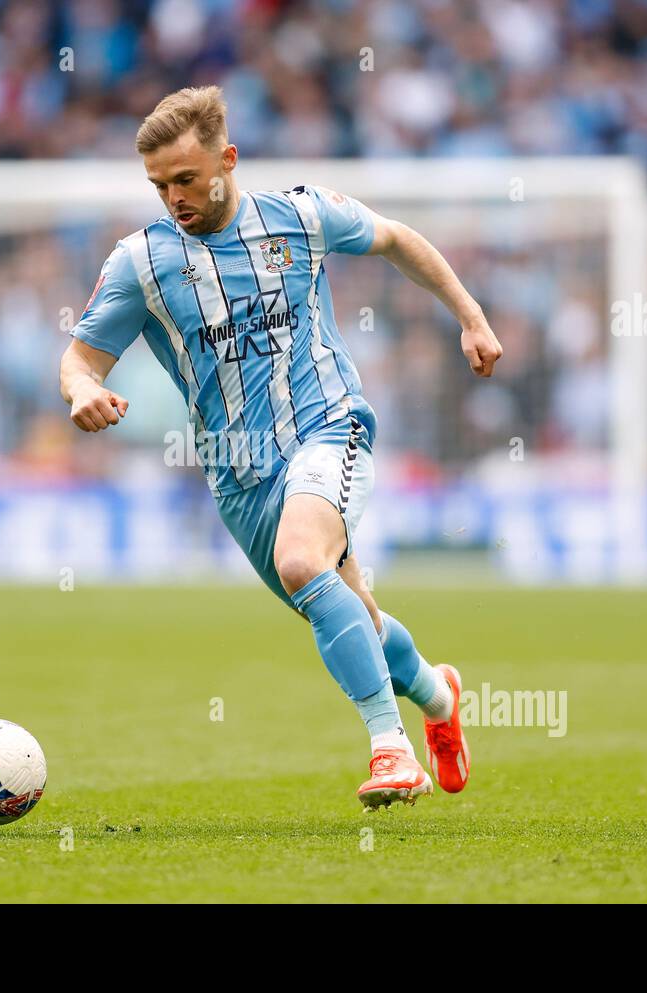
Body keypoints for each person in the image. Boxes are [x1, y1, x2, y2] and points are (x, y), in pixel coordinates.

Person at [58, 87, 502, 808]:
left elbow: (394, 238)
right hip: (239, 478)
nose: (174, 197)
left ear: (227, 161)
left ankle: (390, 751)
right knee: (356, 613)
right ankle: (438, 695)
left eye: (186, 179)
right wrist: (81, 390)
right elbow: (80, 359)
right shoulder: (142, 263)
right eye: (159, 185)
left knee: (302, 560)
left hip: (331, 425)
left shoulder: (299, 216)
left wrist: (471, 317)